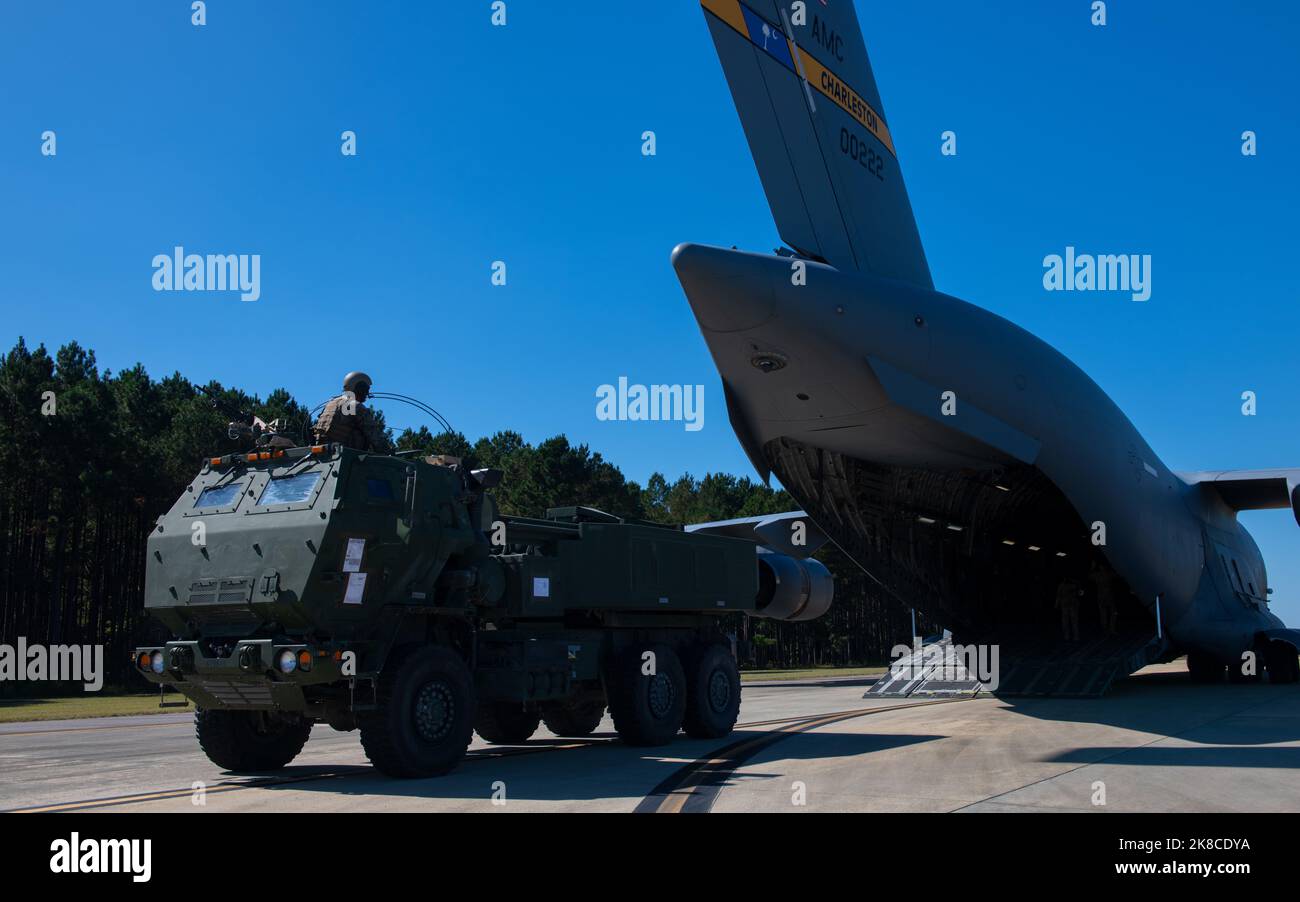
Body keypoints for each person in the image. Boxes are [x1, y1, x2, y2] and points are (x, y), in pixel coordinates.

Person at [312, 371, 394, 453]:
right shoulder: (354, 406)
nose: (367, 394)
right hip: (346, 456)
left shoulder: (330, 403)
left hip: (322, 454)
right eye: (366, 389)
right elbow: (375, 437)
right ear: (360, 388)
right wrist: (389, 452)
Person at [1091, 560, 1119, 635]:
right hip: (1108, 596)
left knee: (1104, 614)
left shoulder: (1097, 574)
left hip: (1102, 596)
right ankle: (1111, 629)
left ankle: (1106, 629)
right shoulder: (1108, 573)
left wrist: (1092, 567)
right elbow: (1117, 574)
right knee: (1113, 613)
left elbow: (1090, 576)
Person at [1055, 576, 1082, 642]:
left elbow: (1081, 593)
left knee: (1073, 622)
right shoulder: (1062, 585)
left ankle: (1075, 636)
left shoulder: (1074, 585)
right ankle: (1068, 636)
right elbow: (1059, 595)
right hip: (1065, 605)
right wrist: (1057, 604)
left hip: (1072, 605)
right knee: (1066, 622)